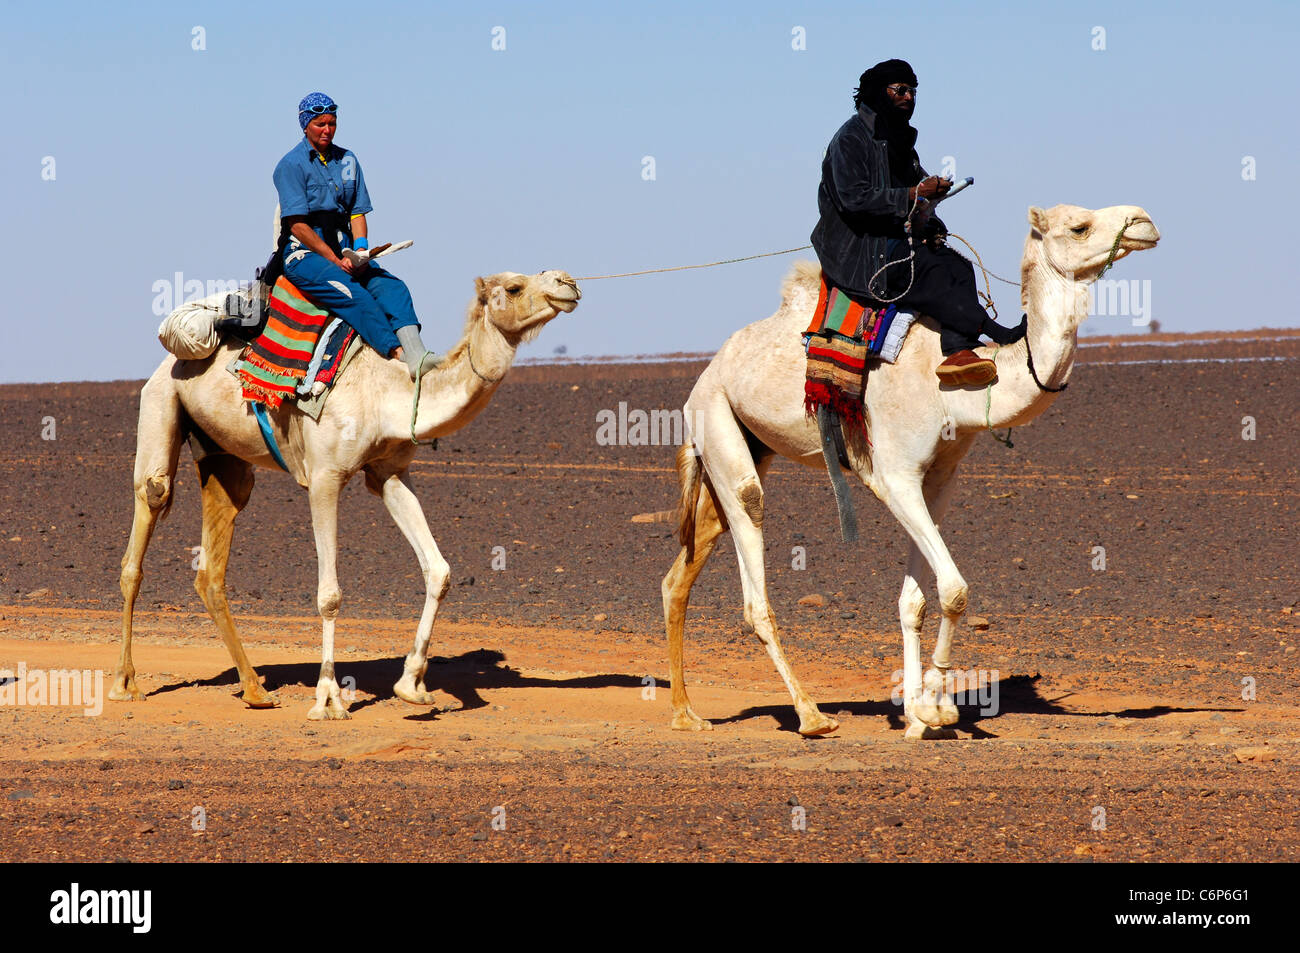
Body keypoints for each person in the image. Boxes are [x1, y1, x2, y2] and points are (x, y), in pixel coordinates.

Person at [810, 60, 1025, 386]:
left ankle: (956, 349)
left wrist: (931, 215)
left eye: (912, 91)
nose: (908, 97)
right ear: (877, 93)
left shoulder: (900, 142)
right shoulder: (849, 140)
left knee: (959, 266)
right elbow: (854, 200)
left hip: (892, 238)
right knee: (932, 271)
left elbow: (916, 193)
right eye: (900, 89)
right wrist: (914, 193)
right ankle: (996, 332)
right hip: (858, 251)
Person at [272, 92, 439, 379]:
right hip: (306, 254)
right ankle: (398, 357)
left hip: (347, 249)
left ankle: (418, 355)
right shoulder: (290, 165)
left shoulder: (348, 159)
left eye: (332, 123)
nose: (327, 130)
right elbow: (298, 225)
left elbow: (357, 213)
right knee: (354, 293)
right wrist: (333, 260)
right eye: (320, 124)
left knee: (393, 288)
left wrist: (360, 250)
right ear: (305, 125)